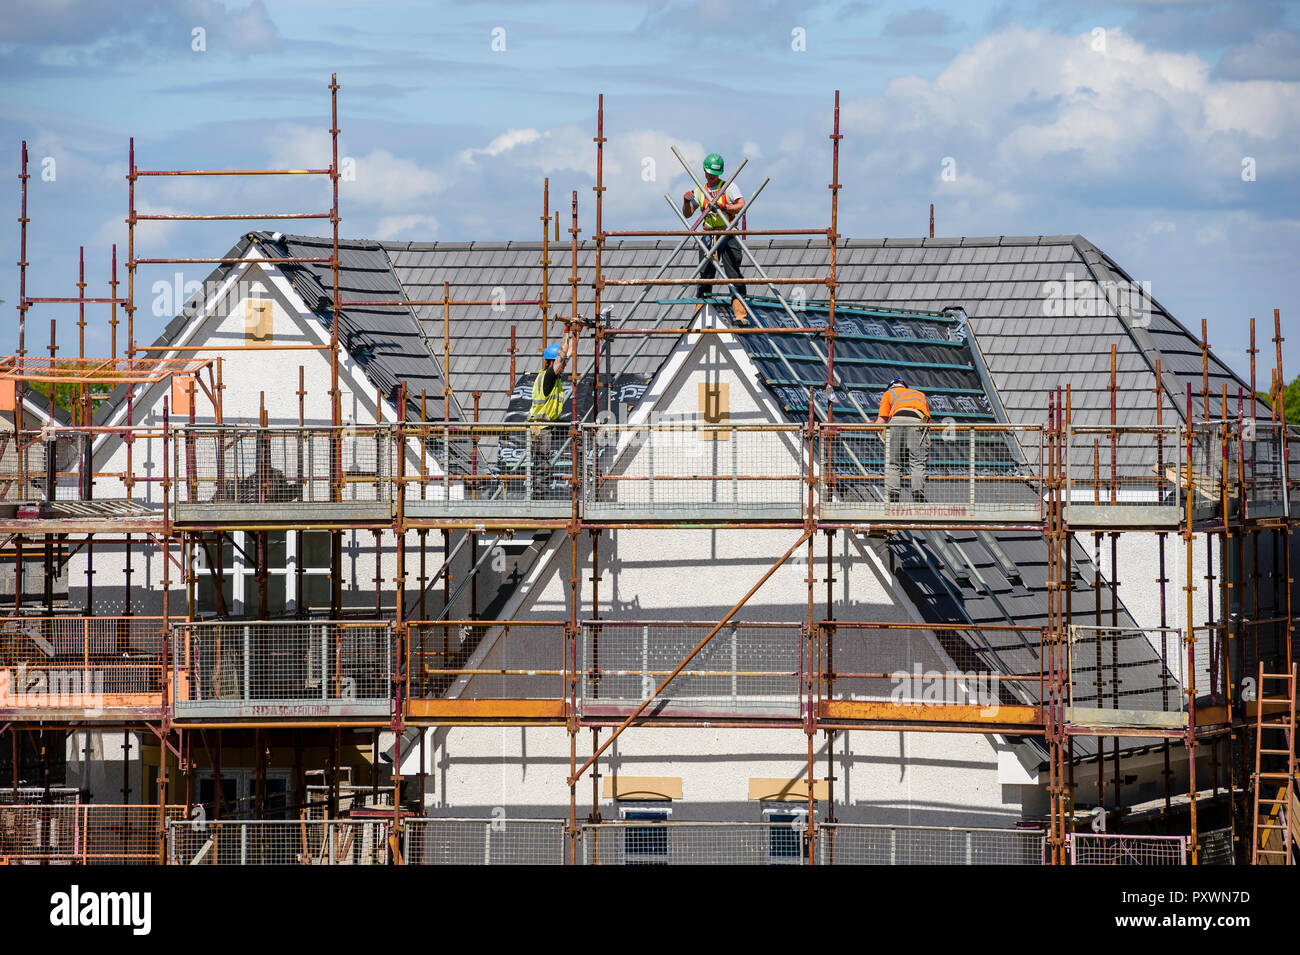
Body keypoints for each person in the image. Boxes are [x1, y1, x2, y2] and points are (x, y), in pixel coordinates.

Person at [682, 152, 747, 325]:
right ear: (704, 170)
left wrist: (724, 206)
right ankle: (699, 315)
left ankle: (740, 314)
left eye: (715, 174)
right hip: (709, 235)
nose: (712, 177)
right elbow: (688, 215)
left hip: (727, 233)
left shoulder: (729, 187)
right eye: (710, 174)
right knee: (705, 274)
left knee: (732, 272)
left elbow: (741, 205)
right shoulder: (700, 191)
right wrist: (687, 202)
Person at [524, 326, 579, 501]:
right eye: (561, 363)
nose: (564, 366)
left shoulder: (551, 378)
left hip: (544, 426)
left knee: (543, 463)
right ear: (552, 362)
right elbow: (561, 358)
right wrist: (565, 334)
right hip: (541, 427)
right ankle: (539, 499)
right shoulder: (548, 377)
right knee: (542, 464)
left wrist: (575, 334)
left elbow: (566, 354)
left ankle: (540, 496)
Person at [876, 377, 931, 503]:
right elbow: (927, 421)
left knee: (893, 463)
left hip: (897, 421)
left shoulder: (889, 393)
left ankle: (893, 495)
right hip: (918, 421)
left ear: (891, 386)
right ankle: (918, 494)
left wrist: (870, 427)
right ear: (904, 386)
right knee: (917, 463)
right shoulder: (919, 394)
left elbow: (882, 421)